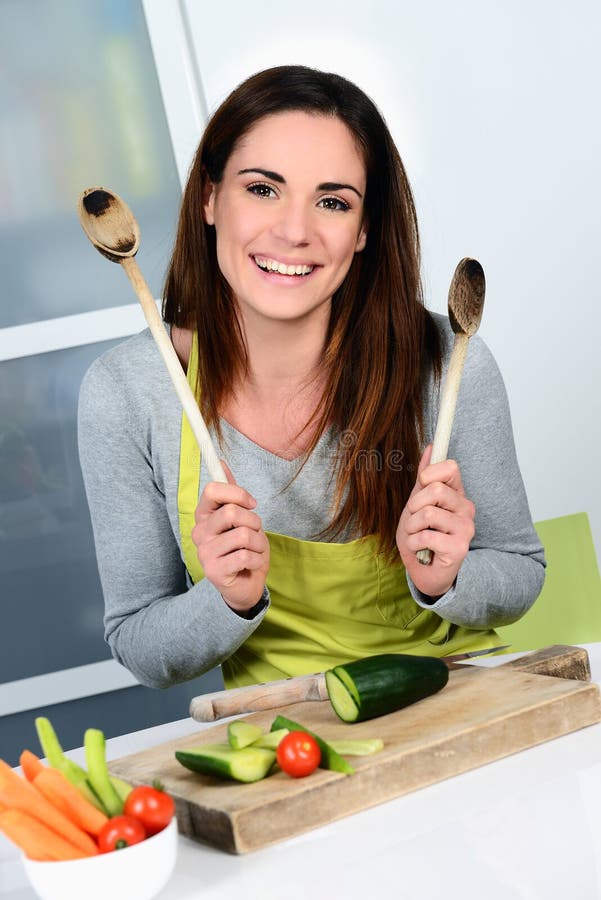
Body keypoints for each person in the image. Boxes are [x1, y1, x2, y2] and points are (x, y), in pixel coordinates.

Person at [78, 65, 545, 691]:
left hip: (458, 699)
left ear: (364, 230)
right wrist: (226, 601)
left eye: (332, 202)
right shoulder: (129, 392)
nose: (295, 231)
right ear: (211, 199)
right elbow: (141, 645)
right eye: (263, 189)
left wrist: (448, 579)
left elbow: (521, 572)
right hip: (286, 745)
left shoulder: (449, 361)